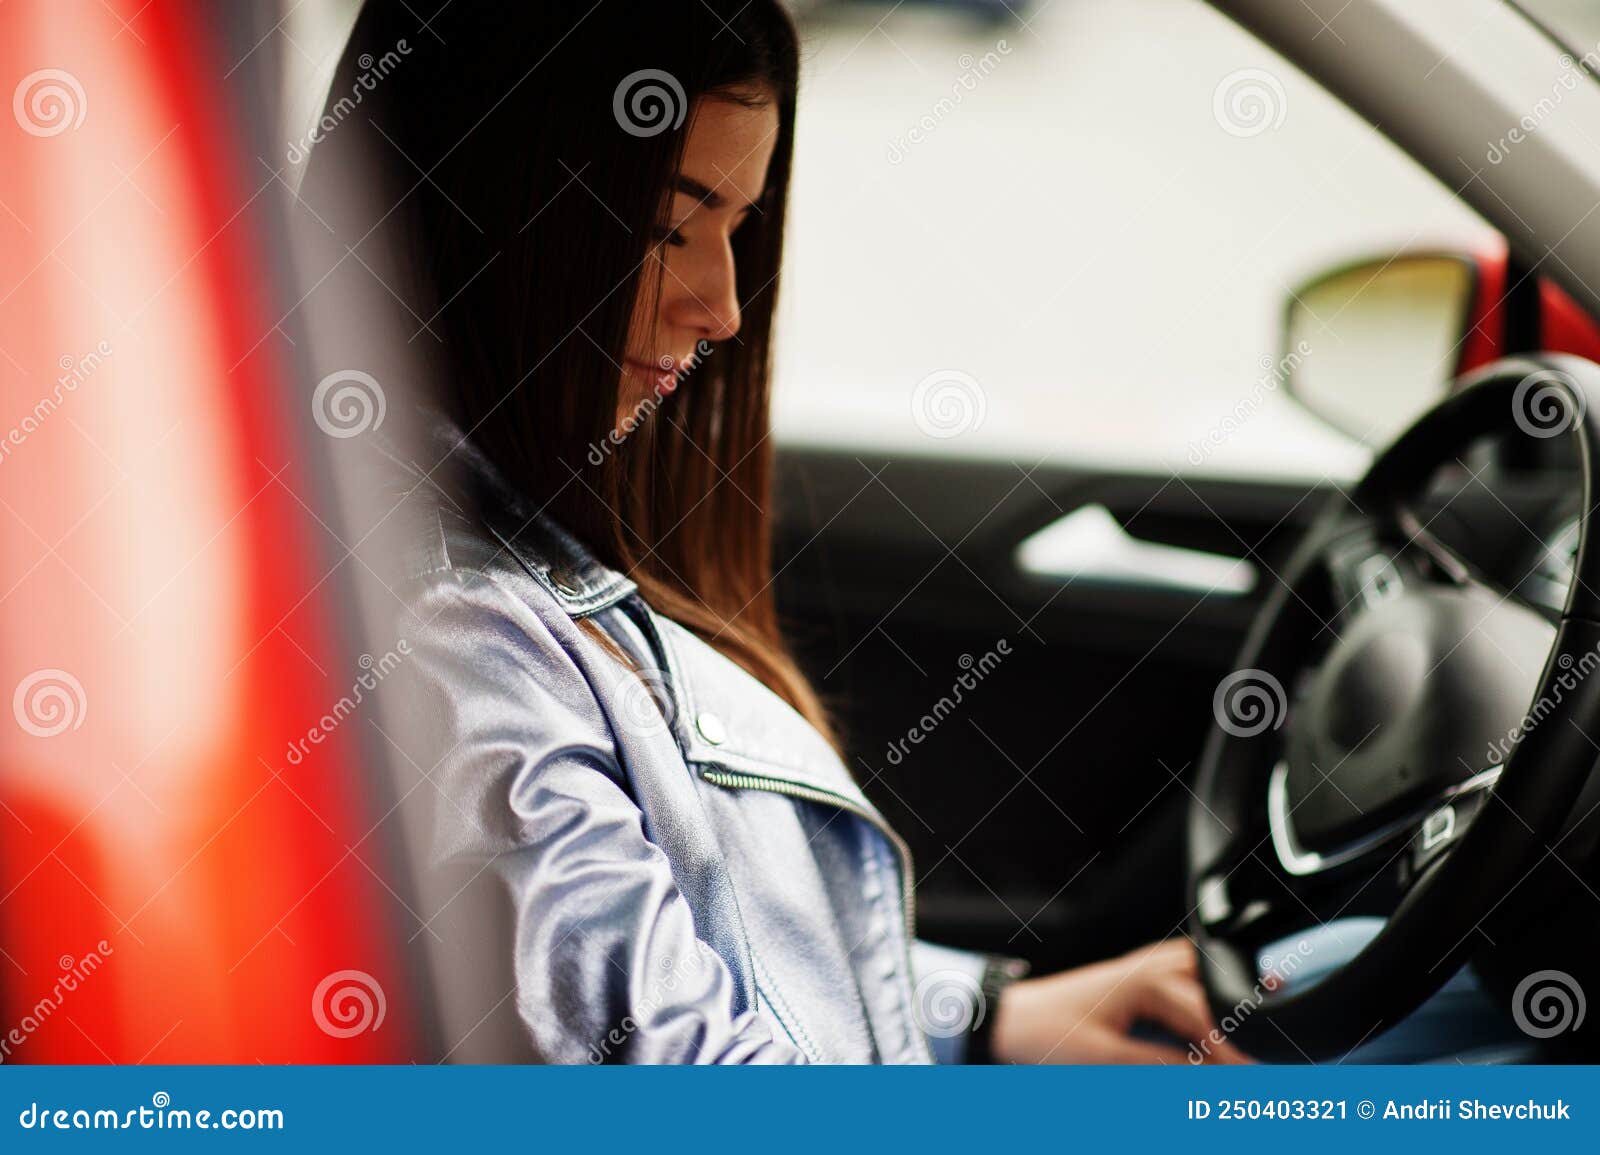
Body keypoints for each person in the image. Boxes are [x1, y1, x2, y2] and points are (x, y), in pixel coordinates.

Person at [298, 0, 1248, 1064]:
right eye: (669, 228)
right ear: (483, 213)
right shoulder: (461, 639)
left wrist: (976, 1021)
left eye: (735, 231)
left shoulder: (500, 559)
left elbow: (693, 967)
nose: (723, 307)